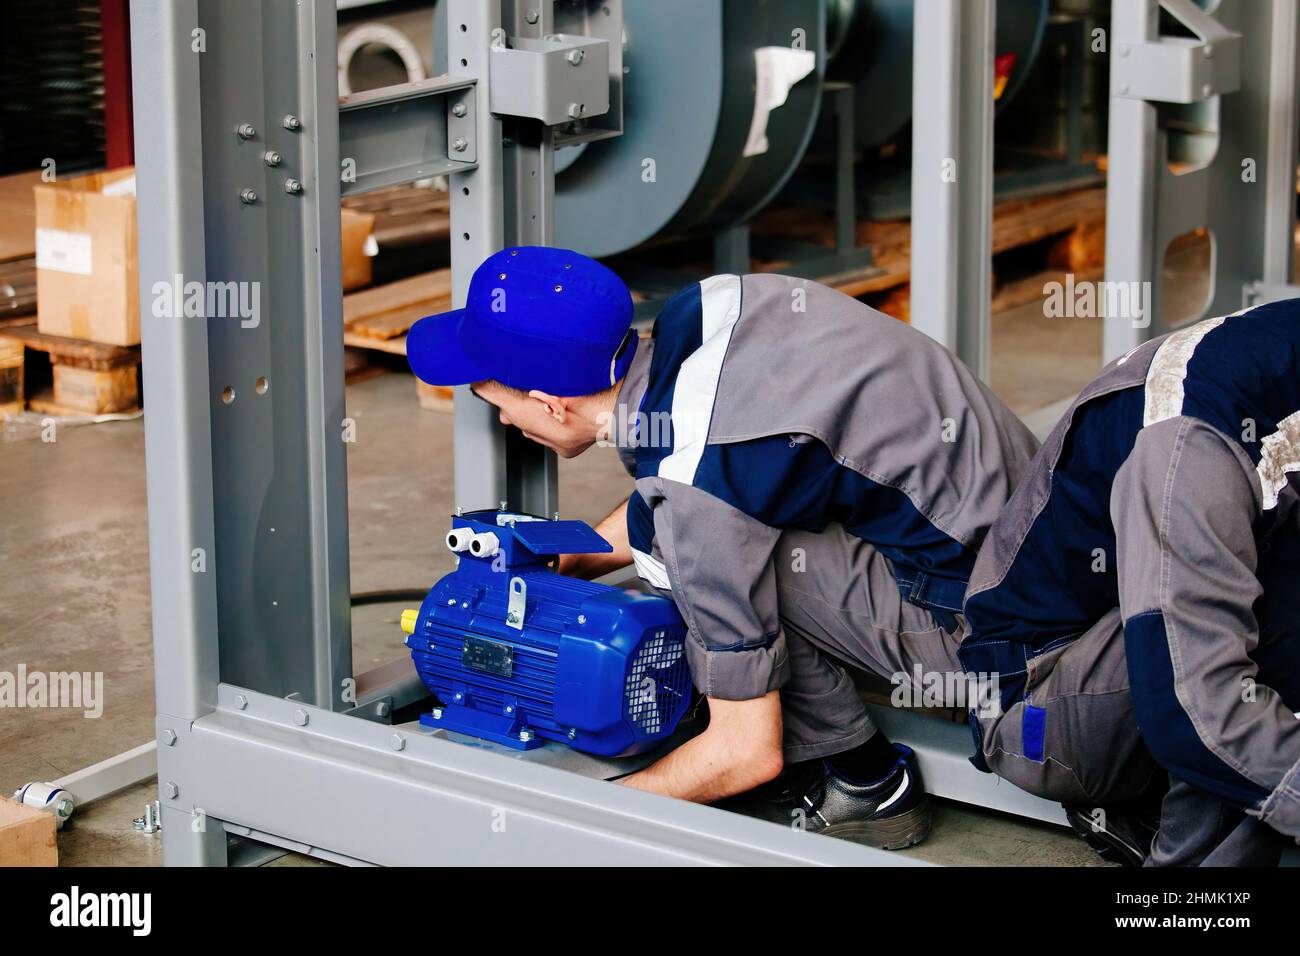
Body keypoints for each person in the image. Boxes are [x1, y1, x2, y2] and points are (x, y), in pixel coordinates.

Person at [408, 246, 1038, 848]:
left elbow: (746, 754)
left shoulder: (694, 492)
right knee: (696, 535)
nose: (502, 423)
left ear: (551, 405)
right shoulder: (715, 309)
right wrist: (559, 559)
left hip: (1003, 640)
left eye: (498, 405)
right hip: (1027, 546)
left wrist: (581, 819)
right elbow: (710, 477)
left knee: (692, 557)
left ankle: (862, 782)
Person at [960, 299, 1300, 866]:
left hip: (1135, 655)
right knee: (1261, 625)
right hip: (1039, 713)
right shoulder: (1195, 436)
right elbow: (1196, 713)